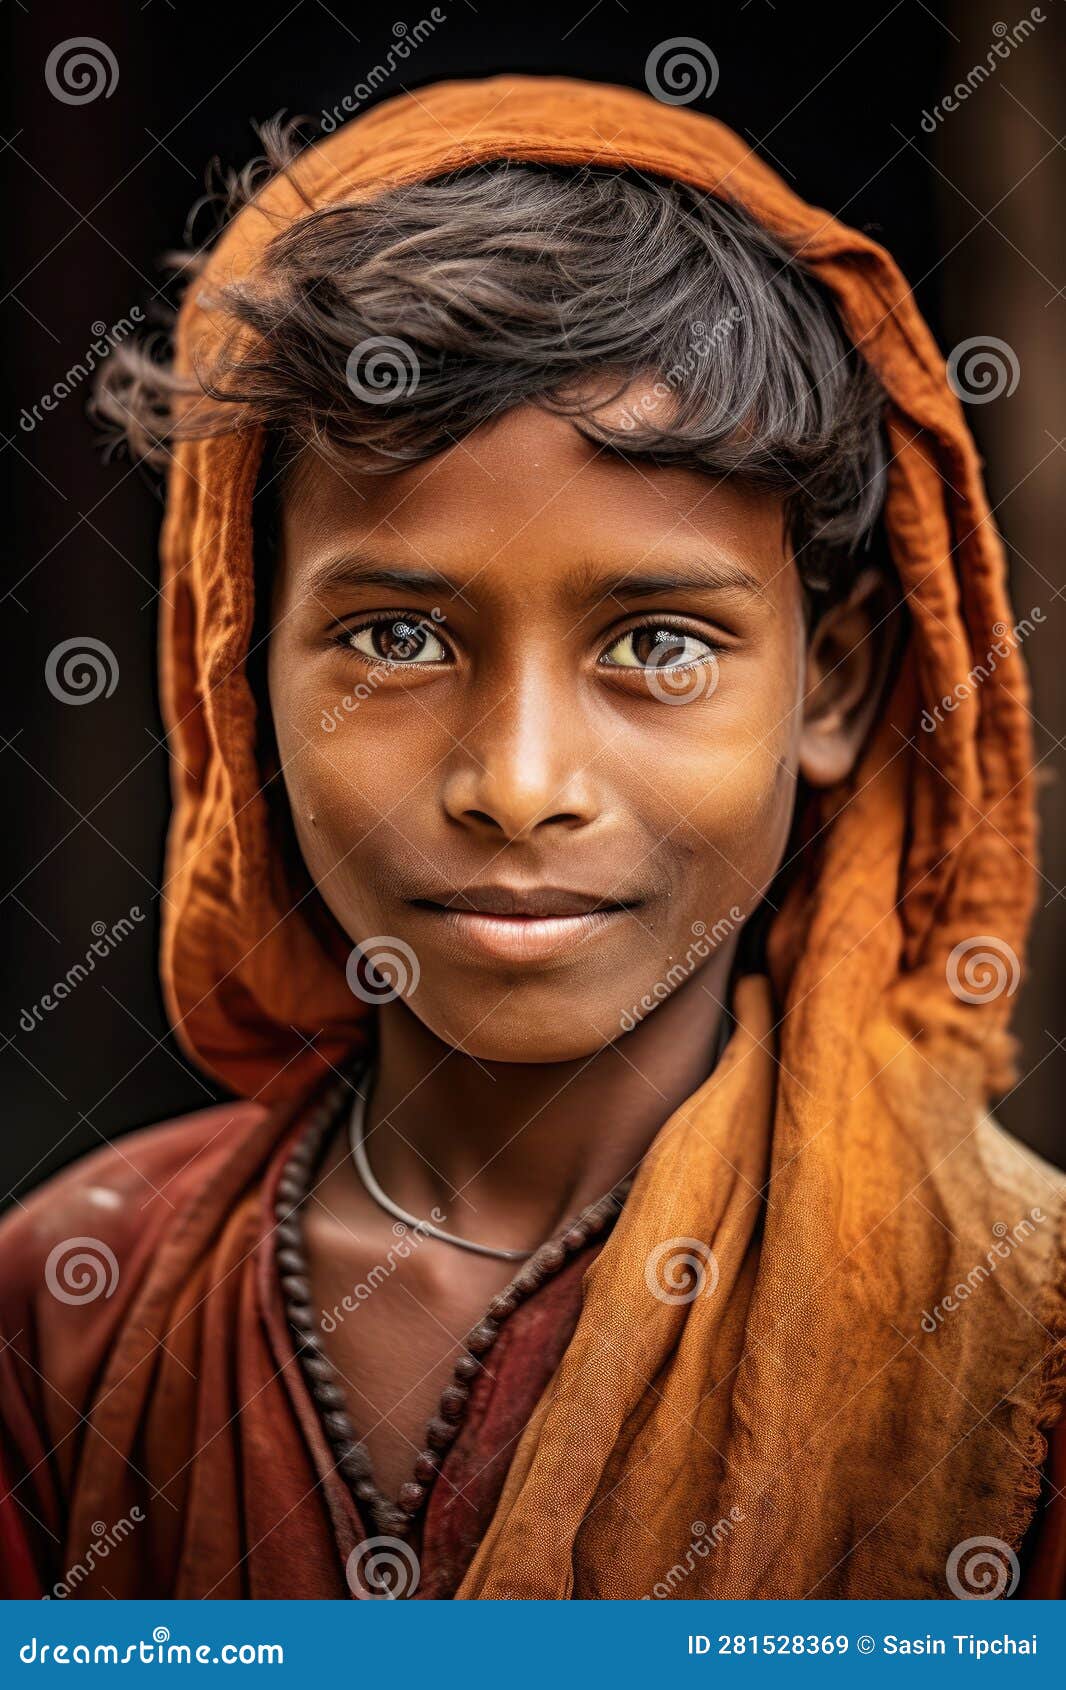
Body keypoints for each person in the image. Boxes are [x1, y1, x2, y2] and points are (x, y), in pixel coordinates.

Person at [1, 74, 1063, 1602]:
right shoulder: (64, 1316)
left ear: (828, 687)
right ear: (242, 672)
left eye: (658, 644)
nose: (518, 782)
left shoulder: (1017, 1338)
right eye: (396, 636)